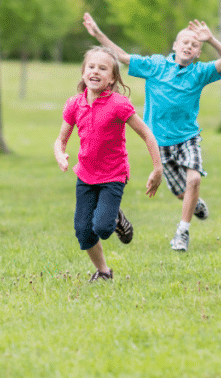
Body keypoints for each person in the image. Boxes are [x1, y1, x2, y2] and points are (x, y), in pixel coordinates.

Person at [82, 13, 221, 252]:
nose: (189, 46)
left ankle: (181, 233)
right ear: (175, 46)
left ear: (197, 54)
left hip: (188, 138)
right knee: (181, 192)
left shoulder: (200, 72)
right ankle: (194, 205)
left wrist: (212, 40)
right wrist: (99, 34)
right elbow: (121, 57)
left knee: (194, 180)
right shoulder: (155, 66)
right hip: (159, 143)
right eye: (185, 42)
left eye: (195, 45)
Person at [54, 47, 163, 281]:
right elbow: (60, 140)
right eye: (91, 67)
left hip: (113, 174)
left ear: (112, 78)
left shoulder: (119, 105)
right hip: (85, 176)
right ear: (83, 72)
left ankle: (115, 217)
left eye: (103, 68)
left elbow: (147, 134)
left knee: (103, 228)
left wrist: (157, 168)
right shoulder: (74, 104)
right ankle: (103, 272)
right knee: (83, 233)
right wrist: (60, 154)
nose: (95, 71)